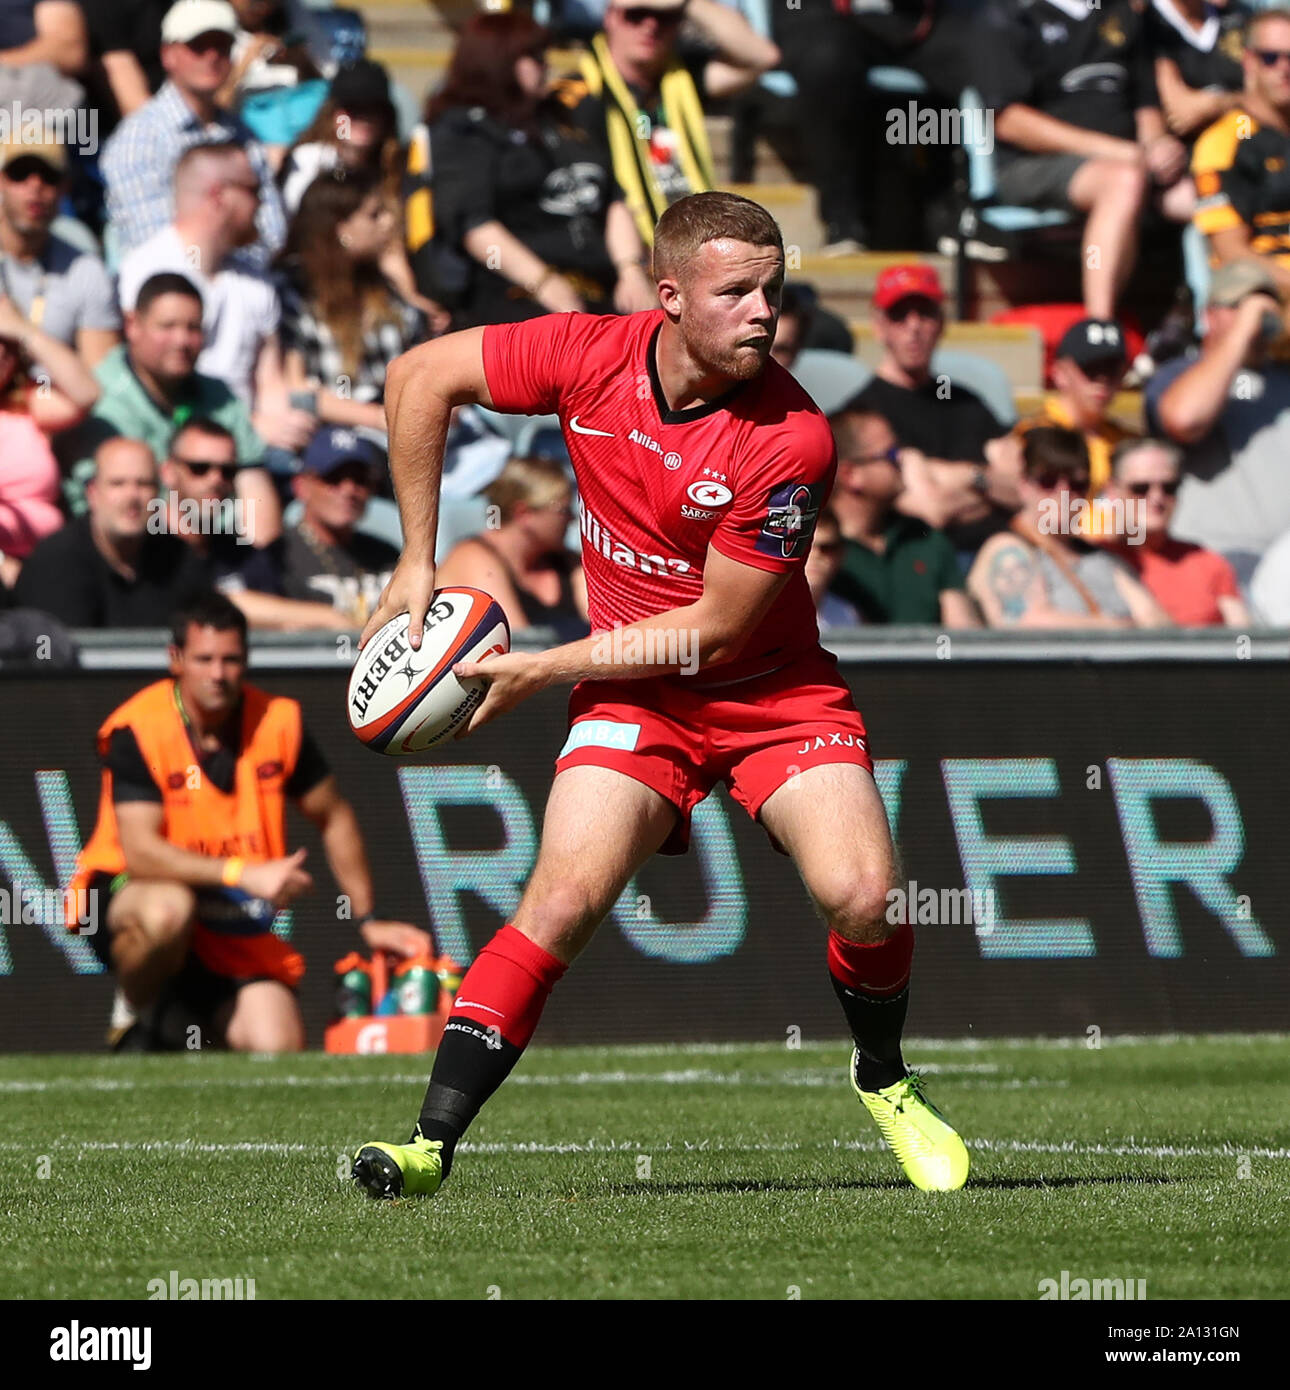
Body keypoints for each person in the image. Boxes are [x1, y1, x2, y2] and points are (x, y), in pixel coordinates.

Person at [349, 190, 970, 1201]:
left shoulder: (792, 437)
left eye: (773, 289)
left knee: (862, 896)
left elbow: (714, 632)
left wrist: (544, 666)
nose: (764, 312)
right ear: (670, 295)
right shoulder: (590, 354)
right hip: (639, 698)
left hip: (772, 692)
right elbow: (419, 377)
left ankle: (885, 1077)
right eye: (737, 292)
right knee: (559, 900)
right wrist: (415, 561)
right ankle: (428, 1144)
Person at [65, 590, 433, 1051]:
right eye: (204, 659)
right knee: (166, 911)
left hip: (228, 915)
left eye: (231, 659)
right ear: (175, 659)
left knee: (276, 1045)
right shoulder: (138, 727)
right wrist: (245, 873)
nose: (218, 674)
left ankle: (177, 1028)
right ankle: (133, 1005)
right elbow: (140, 853)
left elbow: (334, 814)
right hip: (132, 893)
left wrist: (368, 918)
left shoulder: (278, 721)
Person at [427, 10, 655, 325]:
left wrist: (631, 270)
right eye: (534, 57)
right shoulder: (464, 129)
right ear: (498, 61)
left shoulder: (567, 116)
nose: (546, 64)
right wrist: (546, 284)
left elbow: (615, 200)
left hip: (600, 287)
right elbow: (475, 227)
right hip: (516, 297)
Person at [977, 0, 1192, 318]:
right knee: (1123, 182)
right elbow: (1006, 120)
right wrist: (1114, 152)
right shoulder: (1010, 13)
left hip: (1130, 164)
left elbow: (1146, 105)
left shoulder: (1123, 14)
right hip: (1030, 167)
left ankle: (1210, 320)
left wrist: (1158, 145)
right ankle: (1099, 327)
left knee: (1204, 195)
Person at [116, 142, 312, 451]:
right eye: (254, 189)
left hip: (251, 445)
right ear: (219, 196)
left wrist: (286, 424)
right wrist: (246, 425)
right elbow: (139, 381)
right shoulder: (143, 270)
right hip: (170, 444)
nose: (263, 202)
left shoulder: (257, 282)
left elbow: (268, 380)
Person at [68, 272, 279, 543]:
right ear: (132, 324)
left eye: (193, 328)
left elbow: (255, 485)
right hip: (132, 551)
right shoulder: (103, 399)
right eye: (167, 326)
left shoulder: (219, 395)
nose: (182, 341)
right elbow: (116, 506)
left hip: (221, 549)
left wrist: (256, 561)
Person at [557, 0, 779, 248]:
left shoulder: (681, 79)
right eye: (636, 14)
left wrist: (687, 2)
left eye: (665, 17)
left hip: (691, 241)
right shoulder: (576, 96)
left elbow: (762, 57)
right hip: (624, 250)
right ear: (610, 17)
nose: (650, 26)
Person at [101, 0, 288, 266]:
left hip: (246, 284)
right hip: (175, 291)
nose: (211, 56)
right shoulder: (140, 138)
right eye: (198, 46)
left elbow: (272, 232)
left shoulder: (245, 136)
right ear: (168, 55)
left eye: (221, 46)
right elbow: (154, 241)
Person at [841, 263, 1014, 542]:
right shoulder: (863, 415)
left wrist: (961, 475)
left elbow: (1020, 491)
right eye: (899, 315)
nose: (914, 327)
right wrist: (985, 483)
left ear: (942, 323)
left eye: (925, 313)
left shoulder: (967, 403)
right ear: (879, 325)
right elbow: (932, 511)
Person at [1147, 257, 1290, 579]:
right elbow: (1184, 419)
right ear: (1209, 315)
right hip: (1213, 560)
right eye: (1240, 304)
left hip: (1284, 566)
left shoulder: (1285, 379)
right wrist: (1241, 334)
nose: (1257, 314)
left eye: (1266, 304)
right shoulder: (1178, 374)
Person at [968, 426, 1172, 628]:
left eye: (1077, 484)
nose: (1063, 493)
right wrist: (1113, 627)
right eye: (1048, 481)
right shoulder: (1008, 549)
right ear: (1024, 486)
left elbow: (1156, 623)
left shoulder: (1104, 559)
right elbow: (1024, 624)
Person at [159, 416, 351, 629]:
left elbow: (282, 620)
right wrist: (326, 617)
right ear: (168, 472)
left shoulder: (242, 555)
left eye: (227, 471)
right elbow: (195, 603)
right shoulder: (144, 548)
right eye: (200, 468)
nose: (215, 479)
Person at [276, 168, 427, 436]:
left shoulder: (383, 286)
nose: (389, 221)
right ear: (339, 228)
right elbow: (297, 389)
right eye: (374, 215)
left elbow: (423, 359)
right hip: (342, 438)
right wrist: (380, 418)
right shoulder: (294, 290)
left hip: (406, 423)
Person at [15, 436, 213, 626]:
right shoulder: (53, 563)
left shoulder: (180, 561)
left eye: (143, 484)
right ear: (92, 493)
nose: (132, 496)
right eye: (117, 483)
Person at [827, 410, 979, 628]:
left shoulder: (925, 538)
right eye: (890, 455)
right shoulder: (818, 549)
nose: (902, 460)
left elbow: (964, 633)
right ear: (851, 475)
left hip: (928, 662)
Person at [435, 454, 589, 640]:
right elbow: (518, 645)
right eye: (563, 511)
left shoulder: (567, 563)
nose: (572, 519)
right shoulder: (473, 558)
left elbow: (608, 630)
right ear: (523, 513)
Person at [1192, 6, 1290, 293]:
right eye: (1271, 58)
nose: (1284, 69)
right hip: (1265, 293)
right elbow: (1232, 253)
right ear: (1249, 61)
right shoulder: (1225, 143)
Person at [1104, 436, 1249, 626]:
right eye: (1140, 488)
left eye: (1169, 488)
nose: (1156, 497)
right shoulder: (1091, 559)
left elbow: (1244, 640)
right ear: (1113, 492)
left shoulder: (1206, 561)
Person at [0, 140, 120, 368]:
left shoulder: (86, 270)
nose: (35, 185)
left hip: (54, 399)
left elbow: (99, 383)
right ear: (1, 181)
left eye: (48, 176)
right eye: (20, 173)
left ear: (65, 186)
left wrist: (24, 332)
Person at [280, 426, 399, 626]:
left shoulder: (386, 553)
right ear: (301, 486)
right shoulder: (280, 554)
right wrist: (325, 618)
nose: (349, 490)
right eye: (333, 477)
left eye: (360, 480)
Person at [1023, 317, 1135, 498]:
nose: (1102, 379)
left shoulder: (1128, 444)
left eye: (1112, 370)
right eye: (1091, 369)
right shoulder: (1028, 437)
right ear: (1059, 373)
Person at [1148, 0, 1250, 143]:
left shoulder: (1241, 16)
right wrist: (1238, 100)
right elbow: (1180, 115)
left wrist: (1216, 104)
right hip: (1188, 155)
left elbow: (1268, 96)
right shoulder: (1146, 20)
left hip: (1245, 141)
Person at [805, 504, 862, 632]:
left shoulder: (847, 615)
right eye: (806, 546)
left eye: (827, 548)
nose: (816, 555)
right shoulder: (767, 610)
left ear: (841, 554)